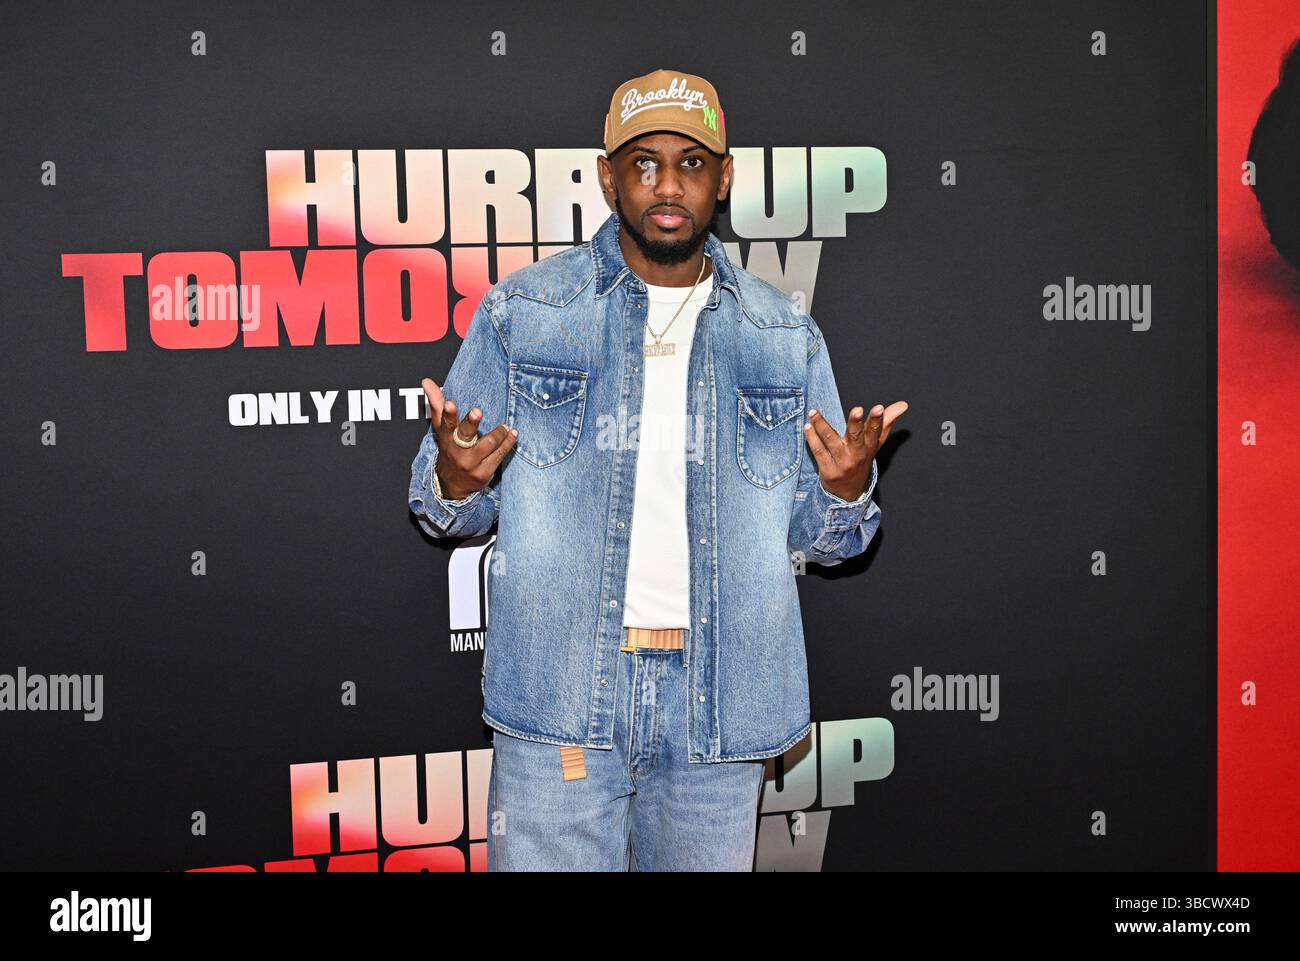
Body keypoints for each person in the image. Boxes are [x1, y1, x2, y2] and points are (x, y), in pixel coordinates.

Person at [408, 68, 907, 871]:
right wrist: (458, 481)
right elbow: (440, 508)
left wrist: (846, 491)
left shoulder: (783, 336)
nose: (667, 184)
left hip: (721, 706)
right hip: (562, 700)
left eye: (691, 162)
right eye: (643, 164)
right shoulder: (524, 314)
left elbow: (831, 543)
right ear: (608, 177)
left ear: (724, 178)